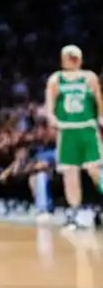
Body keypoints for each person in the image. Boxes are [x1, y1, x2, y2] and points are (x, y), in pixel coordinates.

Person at [44, 44, 103, 229]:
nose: (73, 60)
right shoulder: (56, 79)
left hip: (87, 128)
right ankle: (74, 214)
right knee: (70, 174)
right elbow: (49, 106)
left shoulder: (90, 77)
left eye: (75, 57)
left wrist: (101, 120)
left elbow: (99, 101)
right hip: (67, 130)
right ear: (63, 59)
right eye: (69, 57)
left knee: (95, 170)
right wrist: (53, 119)